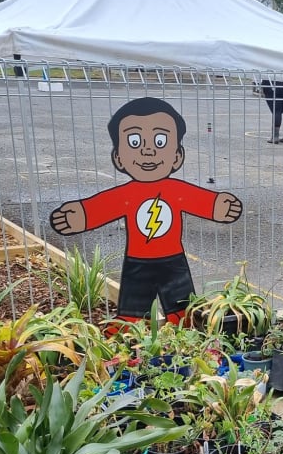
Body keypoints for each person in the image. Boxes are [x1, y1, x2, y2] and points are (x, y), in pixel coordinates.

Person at [49, 97, 242, 324]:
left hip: (174, 262)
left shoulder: (175, 190)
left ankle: (188, 337)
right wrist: (80, 216)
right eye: (134, 141)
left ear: (177, 156)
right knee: (133, 311)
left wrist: (218, 206)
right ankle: (128, 337)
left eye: (160, 141)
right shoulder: (126, 194)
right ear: (118, 158)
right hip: (137, 262)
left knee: (183, 310)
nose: (148, 150)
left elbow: (200, 200)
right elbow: (102, 206)